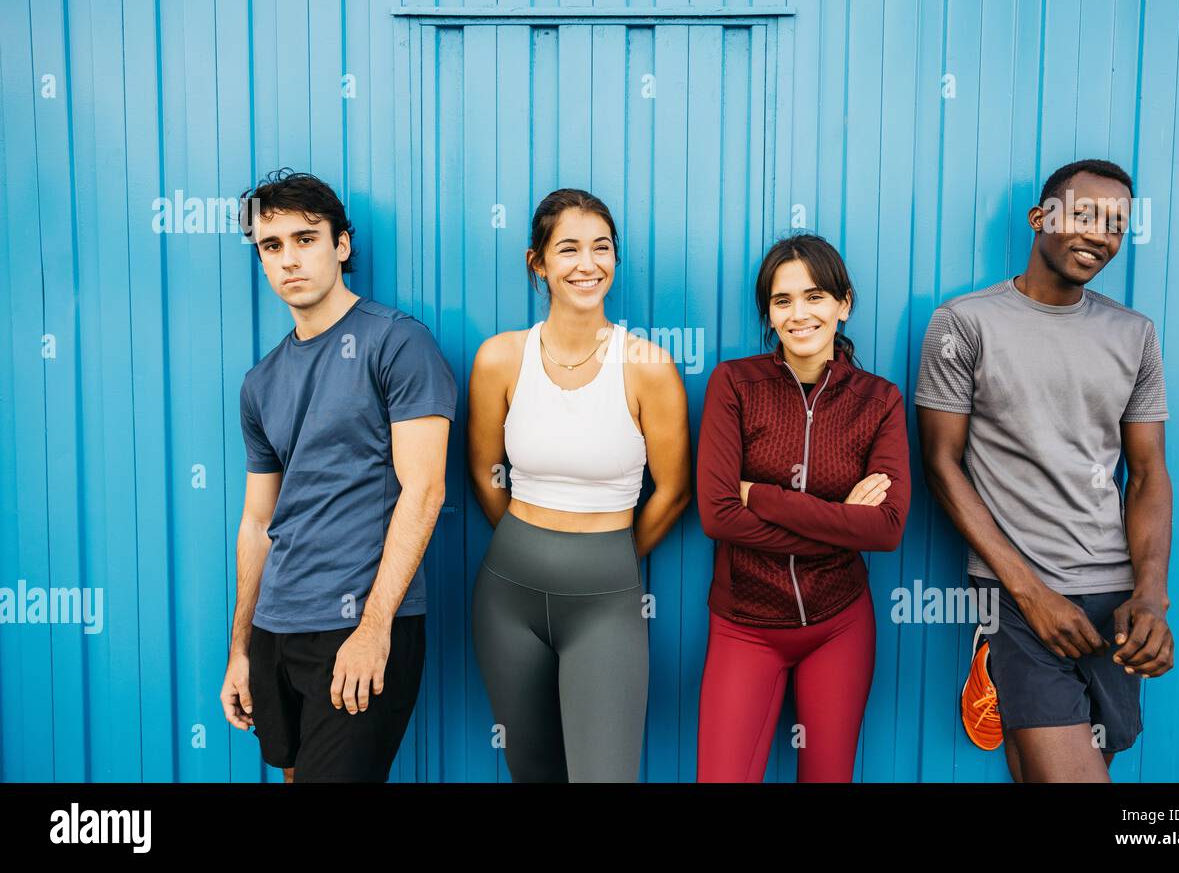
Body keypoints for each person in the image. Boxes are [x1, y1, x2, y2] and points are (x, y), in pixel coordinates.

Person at [915, 158, 1174, 782]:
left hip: (1112, 599)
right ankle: (997, 655)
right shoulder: (965, 322)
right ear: (1040, 218)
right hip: (1017, 593)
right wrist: (1030, 596)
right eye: (1083, 214)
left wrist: (1151, 595)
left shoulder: (1134, 334)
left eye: (1116, 224)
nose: (1100, 234)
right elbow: (941, 466)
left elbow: (1146, 474)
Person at [219, 169, 457, 782]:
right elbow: (258, 522)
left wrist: (374, 629)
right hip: (277, 628)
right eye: (272, 247)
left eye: (306, 239)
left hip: (358, 624)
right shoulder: (260, 381)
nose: (289, 260)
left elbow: (425, 490)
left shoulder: (398, 343)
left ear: (342, 245)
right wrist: (241, 649)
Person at [466, 188, 691, 782]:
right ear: (536, 262)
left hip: (606, 600)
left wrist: (611, 555)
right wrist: (526, 540)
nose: (587, 264)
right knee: (533, 774)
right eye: (568, 249)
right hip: (506, 594)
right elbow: (488, 475)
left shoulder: (649, 366)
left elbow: (673, 490)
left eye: (602, 248)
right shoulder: (499, 360)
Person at [695, 233, 910, 782]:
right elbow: (718, 515)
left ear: (845, 303)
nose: (799, 314)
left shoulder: (879, 400)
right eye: (782, 300)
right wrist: (842, 525)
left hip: (839, 623)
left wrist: (761, 496)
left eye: (815, 297)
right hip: (746, 623)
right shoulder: (735, 384)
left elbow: (884, 530)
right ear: (768, 313)